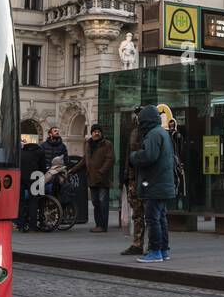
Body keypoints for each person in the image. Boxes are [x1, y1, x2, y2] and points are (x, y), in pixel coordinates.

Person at [129, 104, 176, 263]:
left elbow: (149, 156)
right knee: (161, 217)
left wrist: (134, 156)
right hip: (162, 183)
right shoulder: (161, 132)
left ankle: (155, 251)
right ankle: (163, 250)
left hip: (155, 183)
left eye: (140, 120)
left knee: (152, 218)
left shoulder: (153, 134)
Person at [74, 123, 114, 232]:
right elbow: (84, 160)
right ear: (91, 133)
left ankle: (103, 226)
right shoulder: (88, 144)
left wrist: (101, 171)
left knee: (103, 203)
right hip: (92, 178)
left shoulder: (107, 144)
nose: (96, 133)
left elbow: (110, 159)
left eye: (98, 131)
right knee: (95, 202)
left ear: (101, 133)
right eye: (94, 131)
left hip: (102, 179)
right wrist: (72, 170)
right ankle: (98, 225)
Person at [120, 112, 145, 256]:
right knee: (137, 213)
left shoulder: (145, 133)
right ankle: (137, 243)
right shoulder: (133, 132)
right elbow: (128, 156)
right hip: (134, 177)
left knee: (147, 214)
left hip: (141, 178)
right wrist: (126, 175)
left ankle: (154, 245)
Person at [17, 135, 46, 232]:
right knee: (33, 201)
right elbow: (43, 167)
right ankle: (33, 226)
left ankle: (20, 225)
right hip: (35, 177)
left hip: (21, 177)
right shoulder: (40, 152)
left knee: (21, 201)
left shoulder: (21, 152)